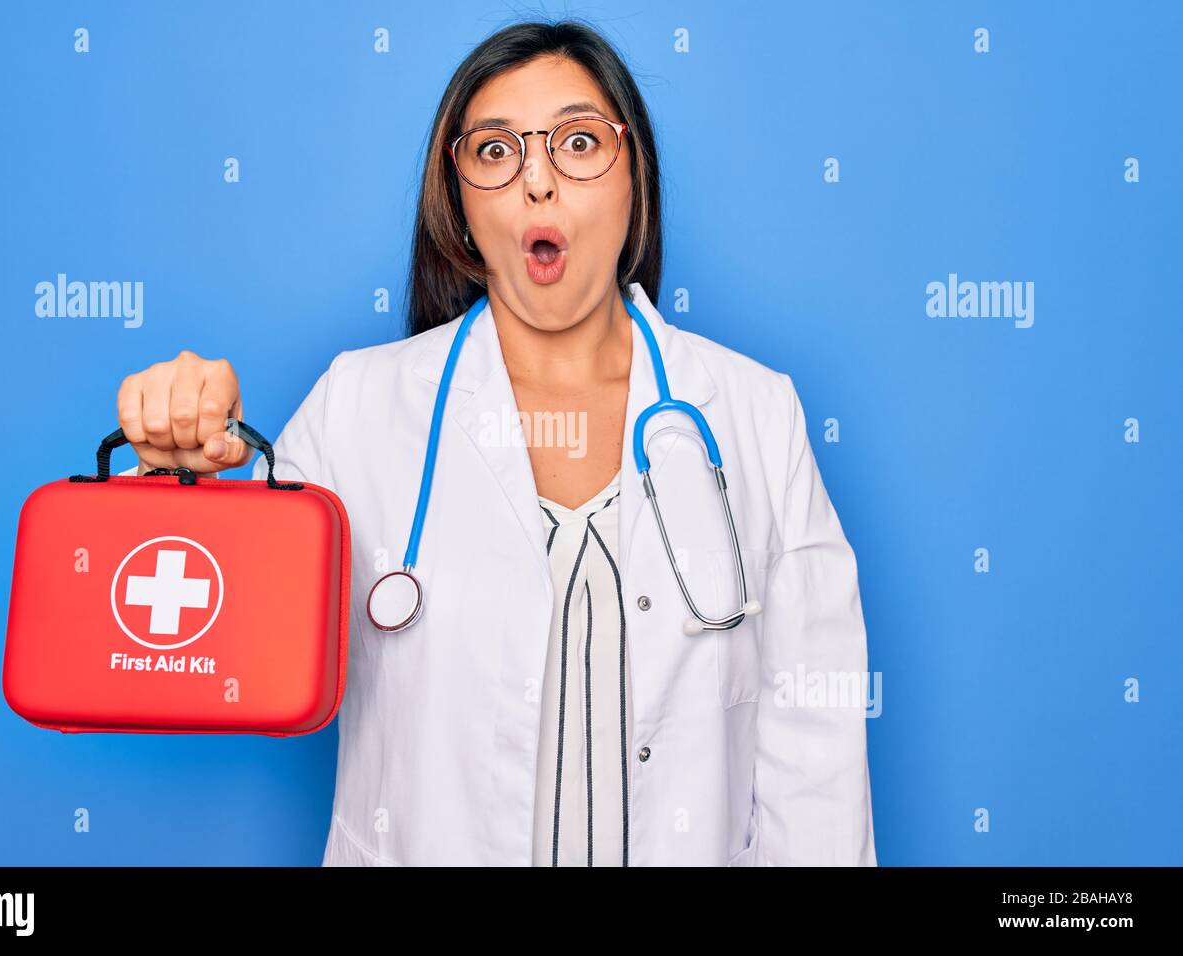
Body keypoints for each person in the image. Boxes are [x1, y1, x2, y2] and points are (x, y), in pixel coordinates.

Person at [114, 19, 876, 867]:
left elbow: (818, 763)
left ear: (637, 182)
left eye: (579, 143)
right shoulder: (360, 407)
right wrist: (178, 467)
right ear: (462, 206)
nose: (538, 182)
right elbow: (222, 633)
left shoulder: (756, 415)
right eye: (495, 153)